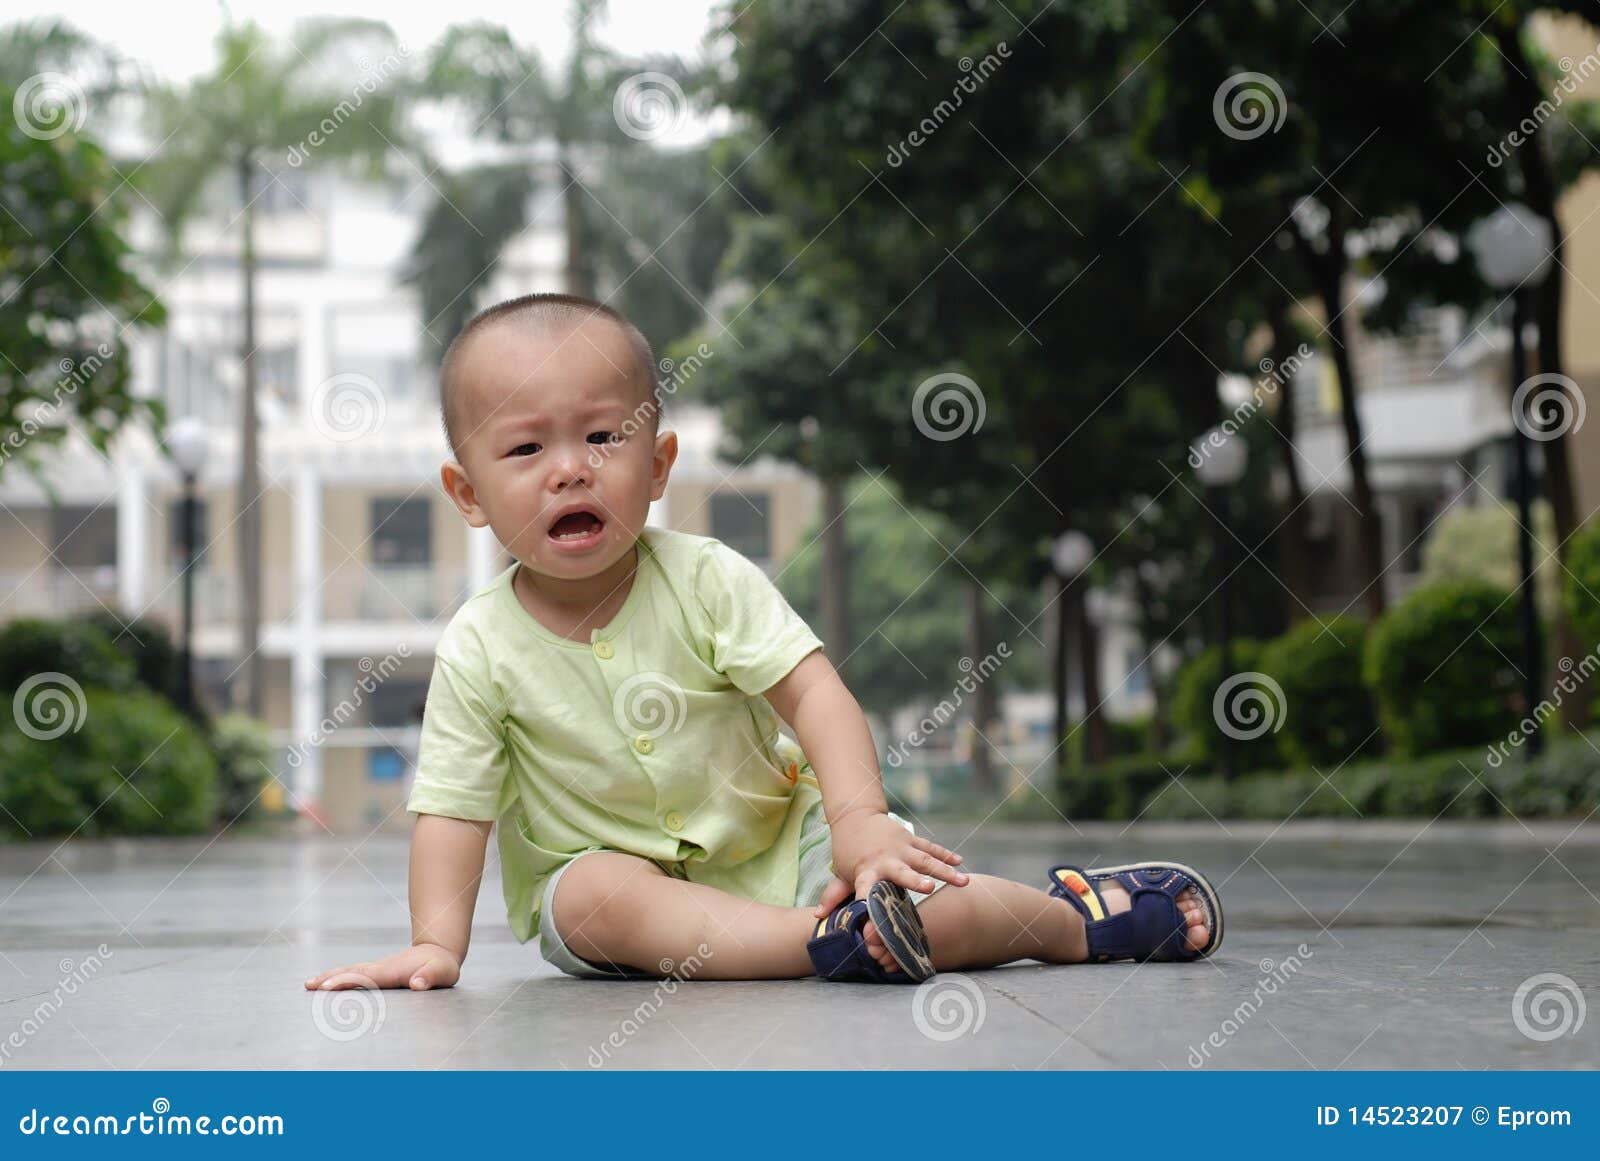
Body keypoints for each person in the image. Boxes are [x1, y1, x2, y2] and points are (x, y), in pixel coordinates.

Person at [304, 293, 1222, 992]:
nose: (570, 468)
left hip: (789, 840)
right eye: (524, 451)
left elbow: (814, 694)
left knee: (926, 896)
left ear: (657, 465)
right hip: (623, 896)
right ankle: (834, 942)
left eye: (601, 436)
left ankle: (1068, 922)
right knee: (590, 895)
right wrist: (436, 941)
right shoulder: (477, 645)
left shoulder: (706, 578)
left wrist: (857, 825)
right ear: (467, 494)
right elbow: (455, 809)